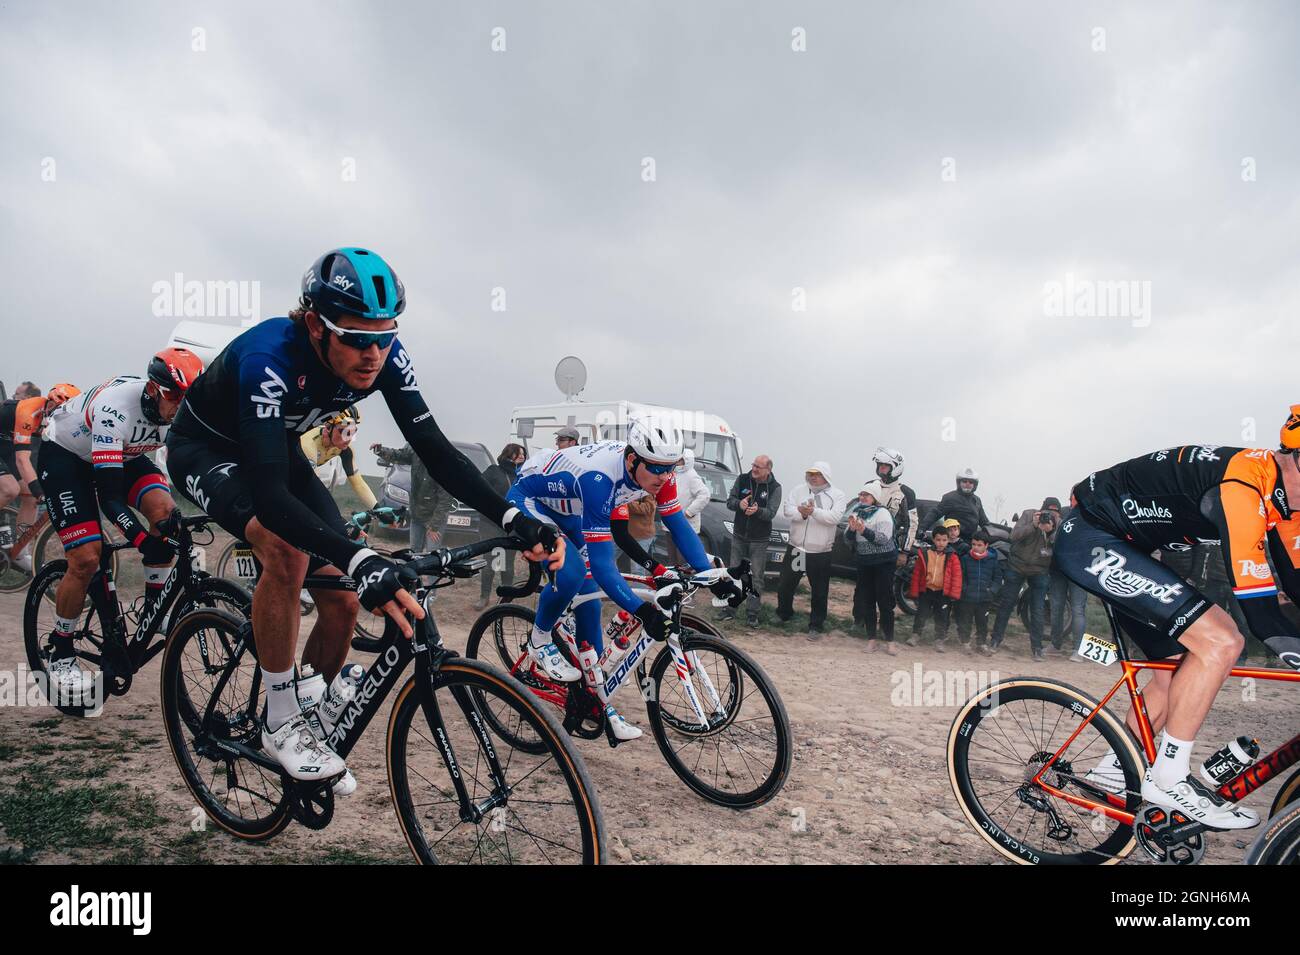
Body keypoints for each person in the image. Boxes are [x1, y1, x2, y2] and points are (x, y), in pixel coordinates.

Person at [166, 247, 561, 788]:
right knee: (285, 549)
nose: (373, 353)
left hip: (276, 448)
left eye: (386, 335)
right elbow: (271, 497)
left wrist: (513, 517)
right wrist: (358, 555)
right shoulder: (267, 360)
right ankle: (281, 721)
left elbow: (434, 449)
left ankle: (312, 718)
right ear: (314, 325)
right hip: (208, 450)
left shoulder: (384, 357)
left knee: (345, 599)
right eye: (356, 337)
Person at [1052, 425, 1300, 830]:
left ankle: (1116, 770)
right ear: (1295, 459)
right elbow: (1261, 612)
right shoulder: (1244, 486)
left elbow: (1294, 581)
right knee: (1221, 641)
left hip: (1128, 544)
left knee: (1180, 665)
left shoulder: (1285, 503)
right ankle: (1169, 777)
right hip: (1093, 538)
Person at [508, 420, 742, 741]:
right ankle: (540, 639)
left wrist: (711, 576)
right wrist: (641, 611)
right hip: (530, 500)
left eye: (670, 468)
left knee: (589, 601)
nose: (664, 476)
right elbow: (606, 567)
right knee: (576, 571)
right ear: (633, 460)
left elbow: (678, 525)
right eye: (657, 468)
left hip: (569, 510)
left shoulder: (654, 475)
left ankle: (598, 702)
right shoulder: (599, 480)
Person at [38, 352, 203, 698]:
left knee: (166, 516)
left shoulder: (183, 413)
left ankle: (151, 612)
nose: (181, 404)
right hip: (67, 457)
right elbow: (110, 499)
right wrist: (142, 540)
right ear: (154, 390)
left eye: (189, 395)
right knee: (85, 558)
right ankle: (61, 649)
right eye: (175, 395)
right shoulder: (117, 410)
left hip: (123, 454)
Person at [0, 383, 80, 570]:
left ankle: (20, 553)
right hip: (7, 442)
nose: (58, 415)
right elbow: (22, 460)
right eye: (54, 408)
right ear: (49, 403)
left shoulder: (62, 421)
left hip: (6, 442)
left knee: (28, 494)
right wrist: (40, 492)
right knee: (10, 489)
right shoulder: (29, 410)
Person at [776, 462, 846, 637]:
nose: (813, 477)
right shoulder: (798, 490)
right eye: (810, 473)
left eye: (817, 474)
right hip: (797, 549)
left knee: (819, 591)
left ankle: (816, 625)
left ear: (825, 476)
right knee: (786, 584)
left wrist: (813, 511)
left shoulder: (837, 495)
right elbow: (787, 510)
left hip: (820, 552)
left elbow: (834, 518)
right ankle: (784, 614)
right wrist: (802, 513)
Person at [989, 502, 1058, 658]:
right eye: (1047, 511)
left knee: (1037, 609)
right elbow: (1013, 536)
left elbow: (1059, 545)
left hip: (1040, 570)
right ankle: (995, 640)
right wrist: (1033, 525)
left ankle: (1037, 648)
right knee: (1006, 604)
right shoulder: (1028, 515)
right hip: (1017, 566)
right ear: (1041, 509)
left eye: (1054, 512)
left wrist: (1050, 531)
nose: (1049, 515)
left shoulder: (1058, 522)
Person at [725, 454, 782, 626]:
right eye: (754, 465)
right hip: (739, 535)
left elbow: (771, 513)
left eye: (759, 467)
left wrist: (757, 511)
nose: (754, 469)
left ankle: (752, 614)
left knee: (756, 577)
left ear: (768, 469)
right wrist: (739, 505)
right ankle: (729, 609)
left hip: (759, 539)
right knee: (734, 573)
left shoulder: (775, 487)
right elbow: (730, 501)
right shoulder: (742, 479)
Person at [843, 481, 897, 652]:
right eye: (861, 494)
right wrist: (852, 530)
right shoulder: (856, 512)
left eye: (866, 495)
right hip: (865, 562)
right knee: (868, 601)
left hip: (883, 563)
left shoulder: (883, 513)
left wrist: (863, 530)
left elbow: (883, 538)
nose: (862, 497)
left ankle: (890, 641)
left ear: (874, 498)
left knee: (885, 601)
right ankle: (871, 639)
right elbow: (847, 537)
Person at [475, 443, 526, 610]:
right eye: (519, 454)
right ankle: (484, 597)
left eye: (524, 455)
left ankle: (506, 598)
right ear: (509, 454)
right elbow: (479, 489)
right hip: (490, 523)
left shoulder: (522, 475)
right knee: (490, 562)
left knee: (507, 564)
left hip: (512, 525)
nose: (522, 457)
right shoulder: (493, 471)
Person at [301, 406, 377, 510]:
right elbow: (314, 485)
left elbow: (358, 484)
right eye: (344, 432)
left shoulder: (345, 449)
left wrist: (378, 509)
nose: (349, 439)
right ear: (328, 427)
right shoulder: (309, 443)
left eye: (352, 432)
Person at [907, 526, 962, 649]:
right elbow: (917, 573)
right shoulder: (925, 554)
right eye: (938, 540)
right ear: (933, 539)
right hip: (926, 590)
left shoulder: (952, 556)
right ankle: (916, 634)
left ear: (948, 540)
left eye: (944, 540)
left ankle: (939, 640)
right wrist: (914, 591)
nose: (941, 543)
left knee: (942, 616)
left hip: (943, 593)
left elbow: (957, 576)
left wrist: (954, 594)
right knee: (921, 613)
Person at [956, 529, 1003, 654]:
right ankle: (965, 643)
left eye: (979, 545)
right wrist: (964, 590)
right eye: (973, 544)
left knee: (982, 622)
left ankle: (981, 644)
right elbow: (961, 577)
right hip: (967, 598)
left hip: (984, 599)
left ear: (986, 545)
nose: (976, 548)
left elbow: (997, 579)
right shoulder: (966, 559)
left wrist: (991, 591)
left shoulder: (992, 560)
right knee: (965, 621)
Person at [870, 447, 918, 561]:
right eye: (879, 464)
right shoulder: (870, 486)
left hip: (889, 547)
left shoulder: (906, 492)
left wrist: (904, 552)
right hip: (866, 546)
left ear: (896, 467)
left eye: (885, 465)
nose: (881, 468)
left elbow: (912, 524)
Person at [664, 449, 710, 565]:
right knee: (673, 561)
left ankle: (687, 582)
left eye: (680, 460)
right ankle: (674, 582)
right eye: (677, 459)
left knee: (684, 561)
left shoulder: (691, 476)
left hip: (686, 526)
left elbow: (705, 494)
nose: (677, 462)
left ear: (687, 461)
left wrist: (689, 512)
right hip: (670, 525)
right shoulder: (672, 473)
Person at [923, 467, 990, 541]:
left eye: (971, 482)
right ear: (959, 483)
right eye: (964, 481)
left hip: (971, 541)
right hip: (953, 541)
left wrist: (993, 532)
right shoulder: (950, 497)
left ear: (975, 485)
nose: (967, 484)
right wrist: (922, 529)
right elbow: (935, 513)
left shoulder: (977, 500)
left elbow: (984, 522)